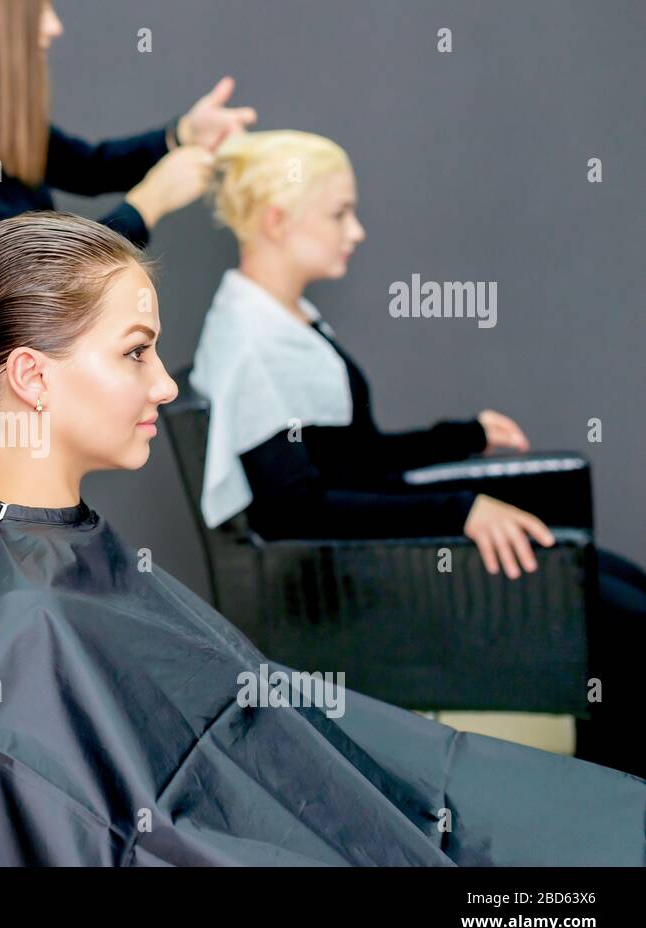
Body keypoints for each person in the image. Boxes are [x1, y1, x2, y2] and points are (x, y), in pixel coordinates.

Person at [0, 211, 644, 867]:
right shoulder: (10, 639)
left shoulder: (57, 572)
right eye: (137, 354)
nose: (167, 384)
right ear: (34, 376)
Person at [190, 130, 645, 777]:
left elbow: (358, 459)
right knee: (621, 621)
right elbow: (295, 508)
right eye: (340, 213)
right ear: (276, 220)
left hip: (374, 561)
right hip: (360, 593)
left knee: (617, 582)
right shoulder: (252, 343)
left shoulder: (285, 322)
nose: (357, 232)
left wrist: (463, 434)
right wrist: (461, 511)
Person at [0, 0, 256, 336]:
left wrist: (180, 134)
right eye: (39, 11)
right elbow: (41, 278)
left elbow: (92, 167)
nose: (54, 27)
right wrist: (150, 201)